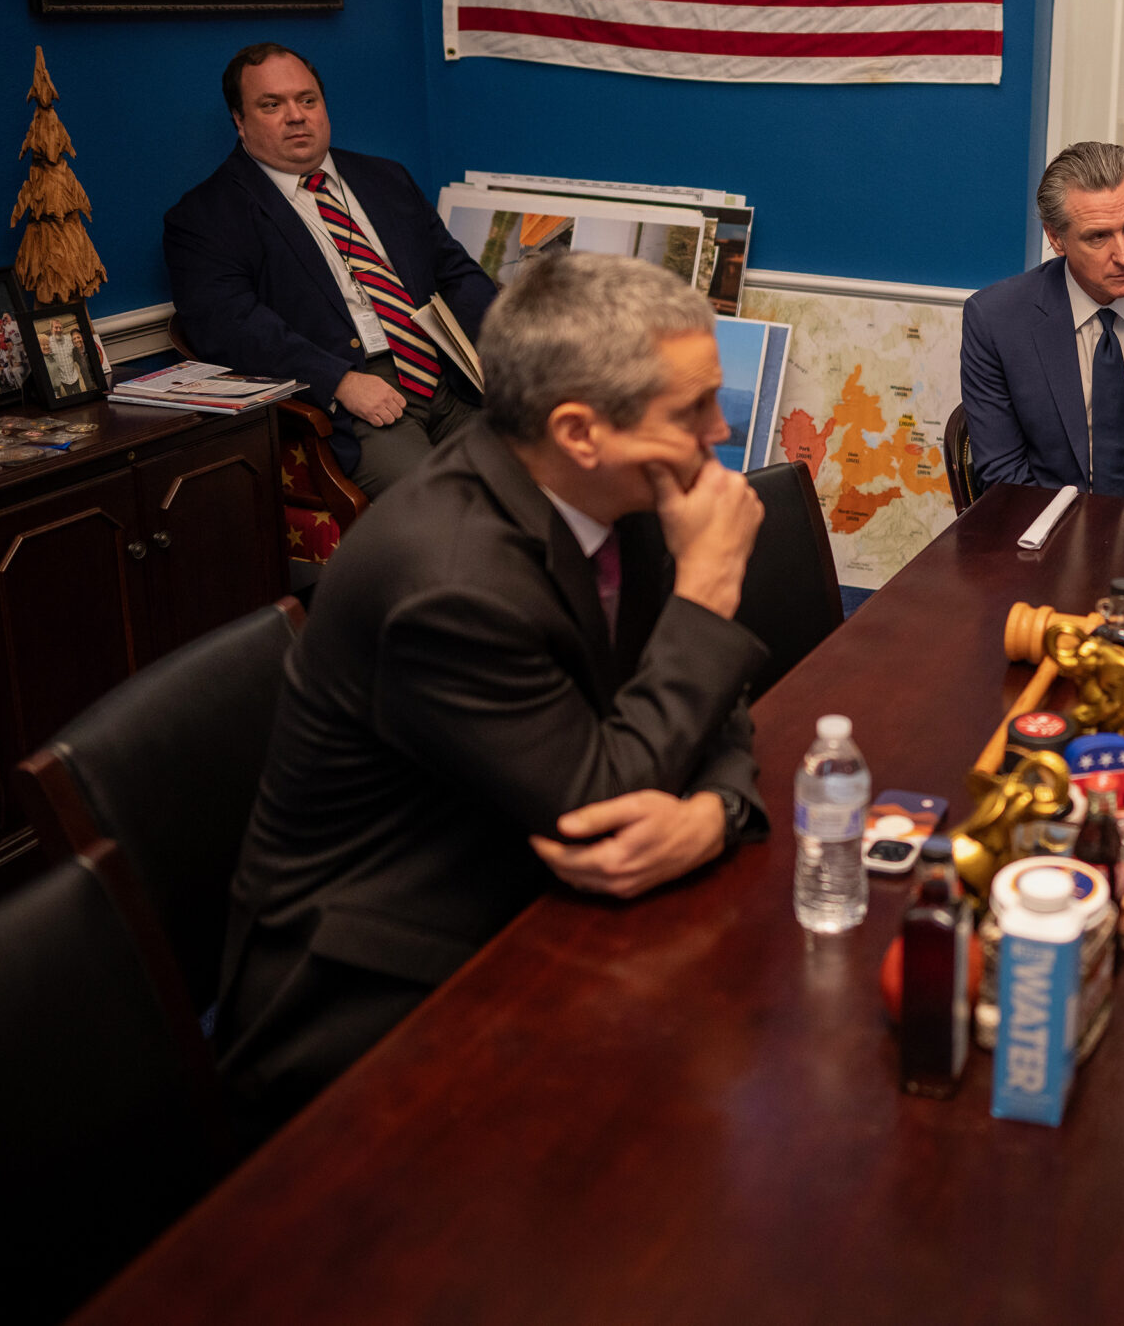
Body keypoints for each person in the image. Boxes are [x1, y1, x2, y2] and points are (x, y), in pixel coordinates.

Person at [213, 252, 771, 1140]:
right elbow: (604, 800)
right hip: (382, 1003)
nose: (723, 429)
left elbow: (709, 693)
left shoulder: (612, 483)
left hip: (532, 895)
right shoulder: (450, 580)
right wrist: (710, 589)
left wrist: (713, 812)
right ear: (580, 429)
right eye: (693, 408)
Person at [164, 42, 498, 495]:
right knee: (439, 507)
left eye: (307, 100)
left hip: (447, 374)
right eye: (271, 105)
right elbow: (230, 326)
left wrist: (504, 344)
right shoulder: (205, 216)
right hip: (355, 397)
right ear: (239, 122)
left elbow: (455, 272)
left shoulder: (387, 179)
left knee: (544, 471)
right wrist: (335, 379)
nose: (296, 115)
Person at [959, 141, 1124, 507]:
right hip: (1048, 526)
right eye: (1098, 236)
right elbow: (1003, 474)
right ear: (1056, 239)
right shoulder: (995, 321)